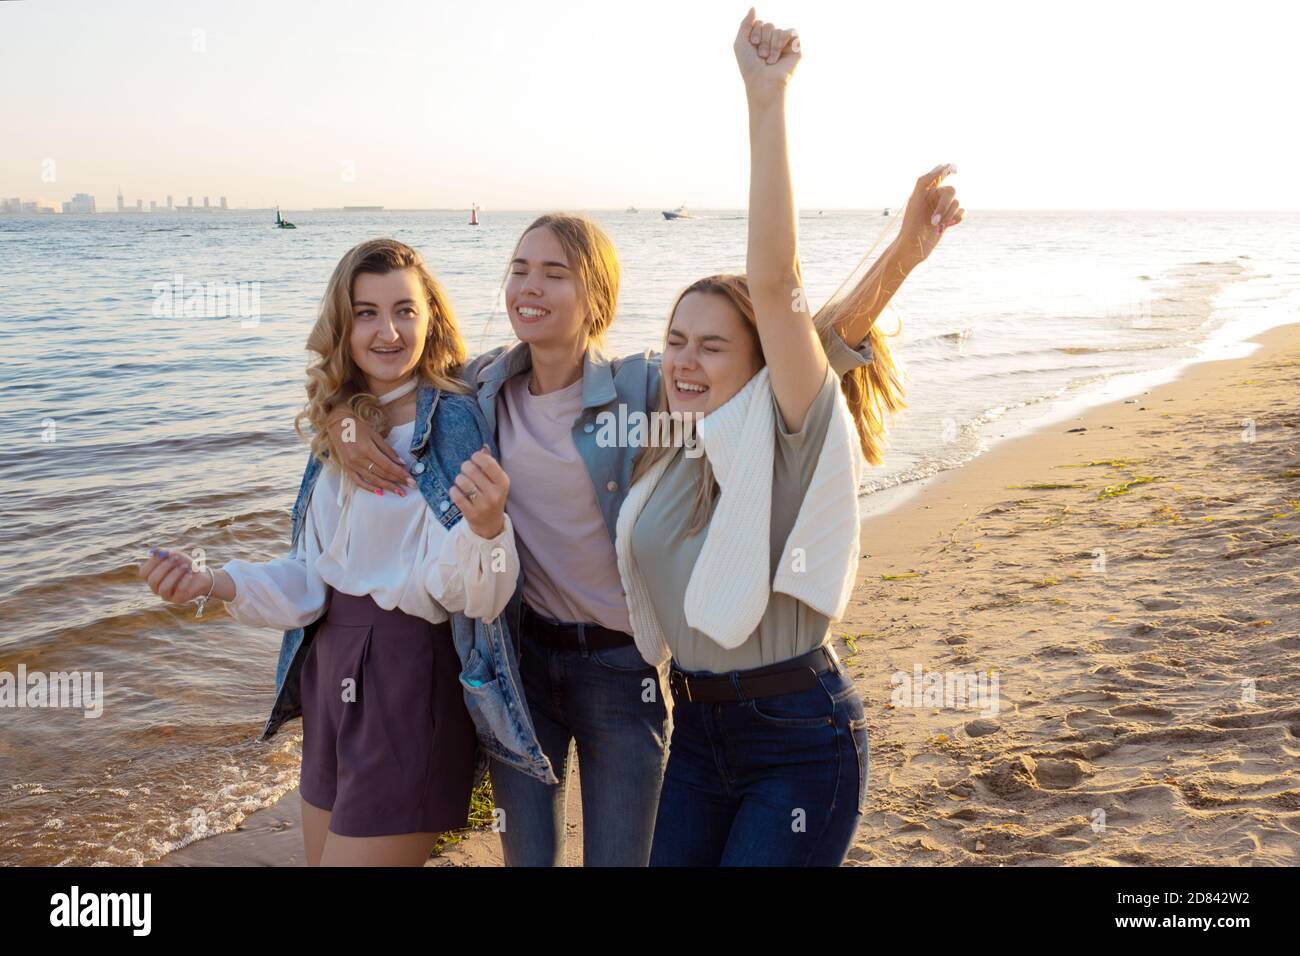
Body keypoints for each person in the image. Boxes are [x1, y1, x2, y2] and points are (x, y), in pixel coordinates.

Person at [616, 9, 961, 866]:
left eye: (713, 345)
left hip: (798, 736)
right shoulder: (666, 449)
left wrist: (764, 98)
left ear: (763, 358)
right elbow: (839, 327)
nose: (686, 362)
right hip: (695, 733)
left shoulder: (794, 431)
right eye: (675, 340)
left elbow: (780, 285)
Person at [138, 238, 535, 866]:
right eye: (367, 313)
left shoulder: (452, 422)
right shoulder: (341, 425)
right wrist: (211, 580)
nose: (388, 331)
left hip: (405, 678)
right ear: (342, 325)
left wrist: (487, 533)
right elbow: (309, 579)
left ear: (430, 318)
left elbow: (473, 596)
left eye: (405, 310)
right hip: (328, 669)